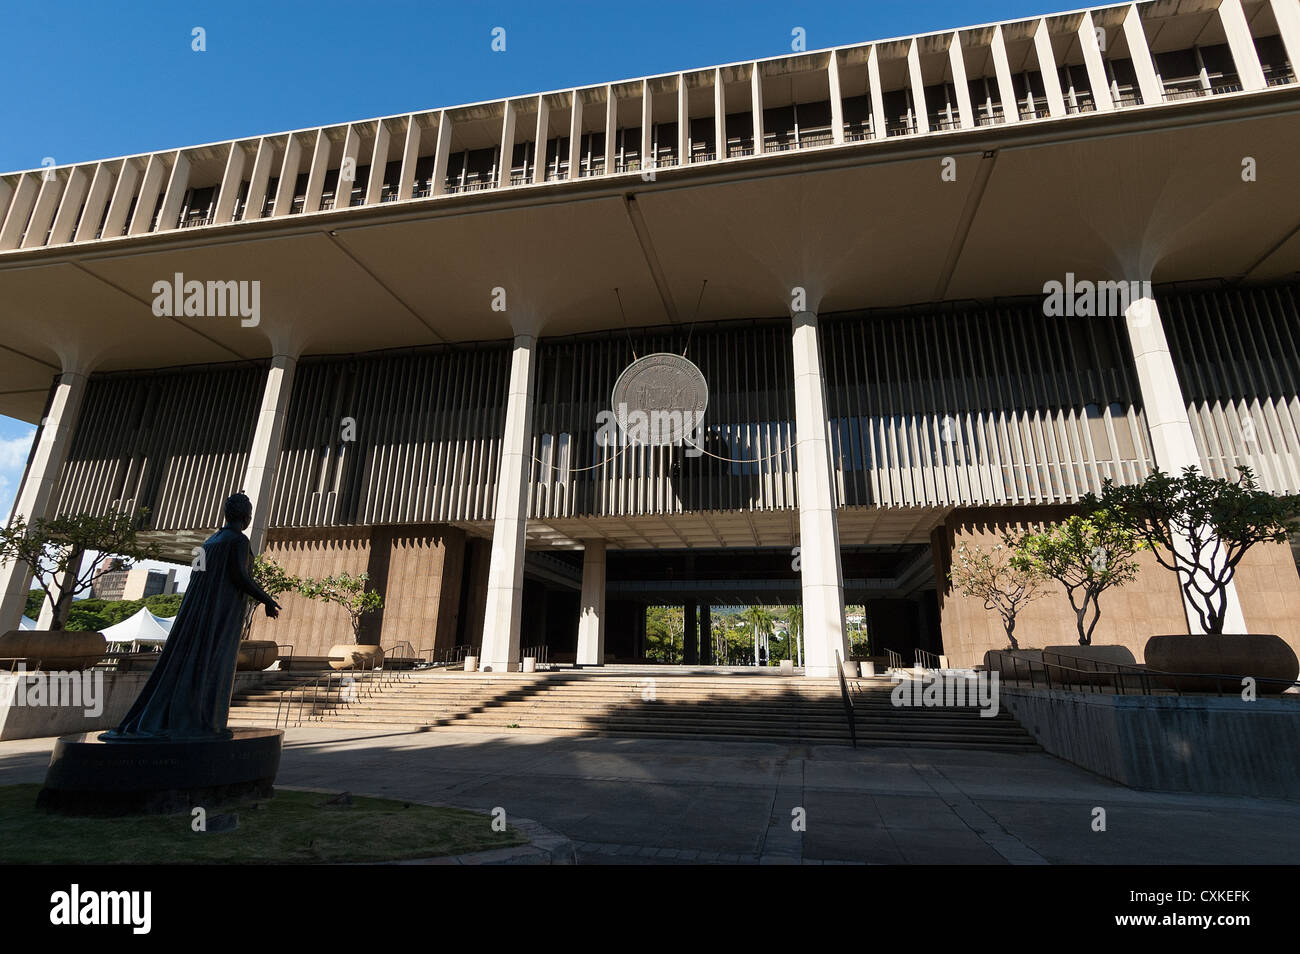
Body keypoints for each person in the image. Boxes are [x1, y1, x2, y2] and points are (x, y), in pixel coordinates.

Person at [102, 492, 280, 742]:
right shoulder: (237, 541)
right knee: (212, 663)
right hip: (220, 611)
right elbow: (240, 576)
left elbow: (196, 579)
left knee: (192, 661)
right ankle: (203, 721)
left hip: (197, 613)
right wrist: (267, 599)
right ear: (246, 515)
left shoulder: (209, 542)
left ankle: (184, 718)